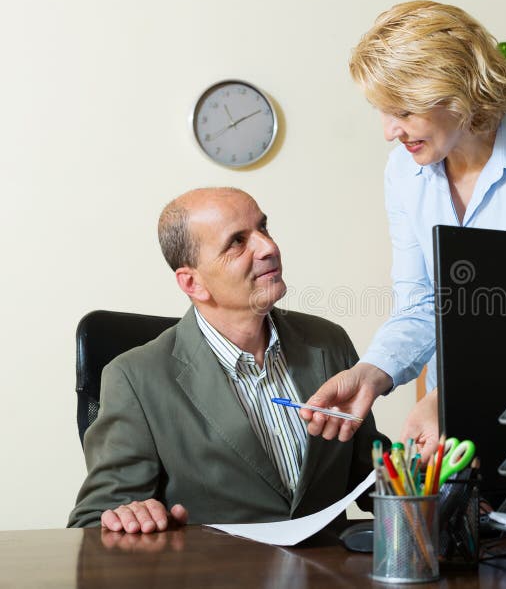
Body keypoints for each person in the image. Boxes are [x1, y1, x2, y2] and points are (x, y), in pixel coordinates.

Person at [302, 0, 506, 459]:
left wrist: (451, 396)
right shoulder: (405, 170)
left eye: (403, 110)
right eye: (382, 111)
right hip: (448, 413)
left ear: (458, 91)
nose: (389, 131)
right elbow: (421, 301)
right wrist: (373, 373)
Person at [68, 187, 386, 533]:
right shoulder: (135, 378)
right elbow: (92, 522)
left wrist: (428, 475)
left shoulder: (328, 342)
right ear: (193, 283)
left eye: (263, 229)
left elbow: (370, 476)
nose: (269, 247)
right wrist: (129, 518)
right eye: (237, 242)